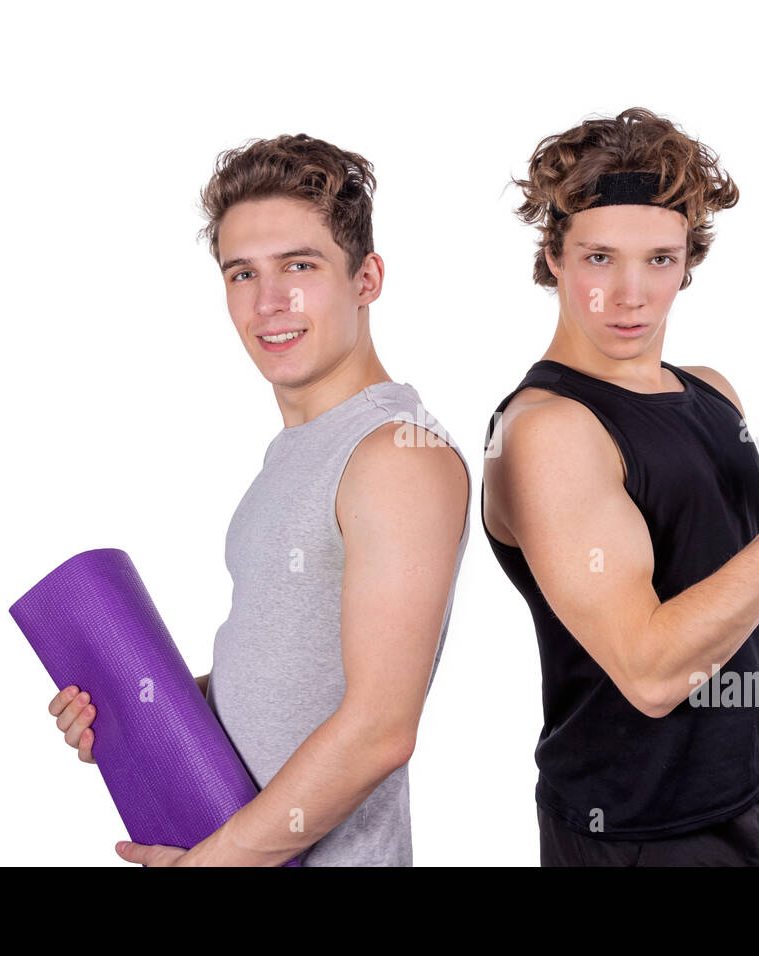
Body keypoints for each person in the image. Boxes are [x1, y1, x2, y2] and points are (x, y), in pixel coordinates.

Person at [480, 107, 759, 865]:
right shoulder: (547, 430)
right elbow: (652, 673)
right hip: (629, 830)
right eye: (600, 259)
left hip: (751, 802)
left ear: (687, 263)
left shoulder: (710, 393)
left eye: (659, 259)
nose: (630, 294)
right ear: (554, 257)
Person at [49, 133, 471, 866]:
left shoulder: (398, 459)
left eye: (299, 266)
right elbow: (284, 680)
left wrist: (214, 862)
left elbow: (379, 727)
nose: (268, 302)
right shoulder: (293, 455)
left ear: (366, 278)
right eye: (242, 273)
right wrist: (137, 715)